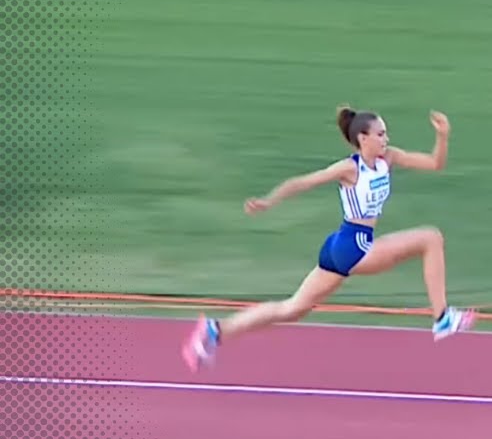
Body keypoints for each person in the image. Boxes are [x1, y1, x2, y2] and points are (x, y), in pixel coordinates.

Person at [181, 106, 476, 371]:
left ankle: (214, 330)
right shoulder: (349, 168)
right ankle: (442, 318)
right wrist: (269, 202)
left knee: (292, 309)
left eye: (386, 134)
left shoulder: (390, 158)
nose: (386, 139)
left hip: (340, 246)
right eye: (380, 134)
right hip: (355, 245)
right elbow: (303, 182)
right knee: (430, 238)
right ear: (363, 138)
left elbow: (435, 163)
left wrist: (443, 136)